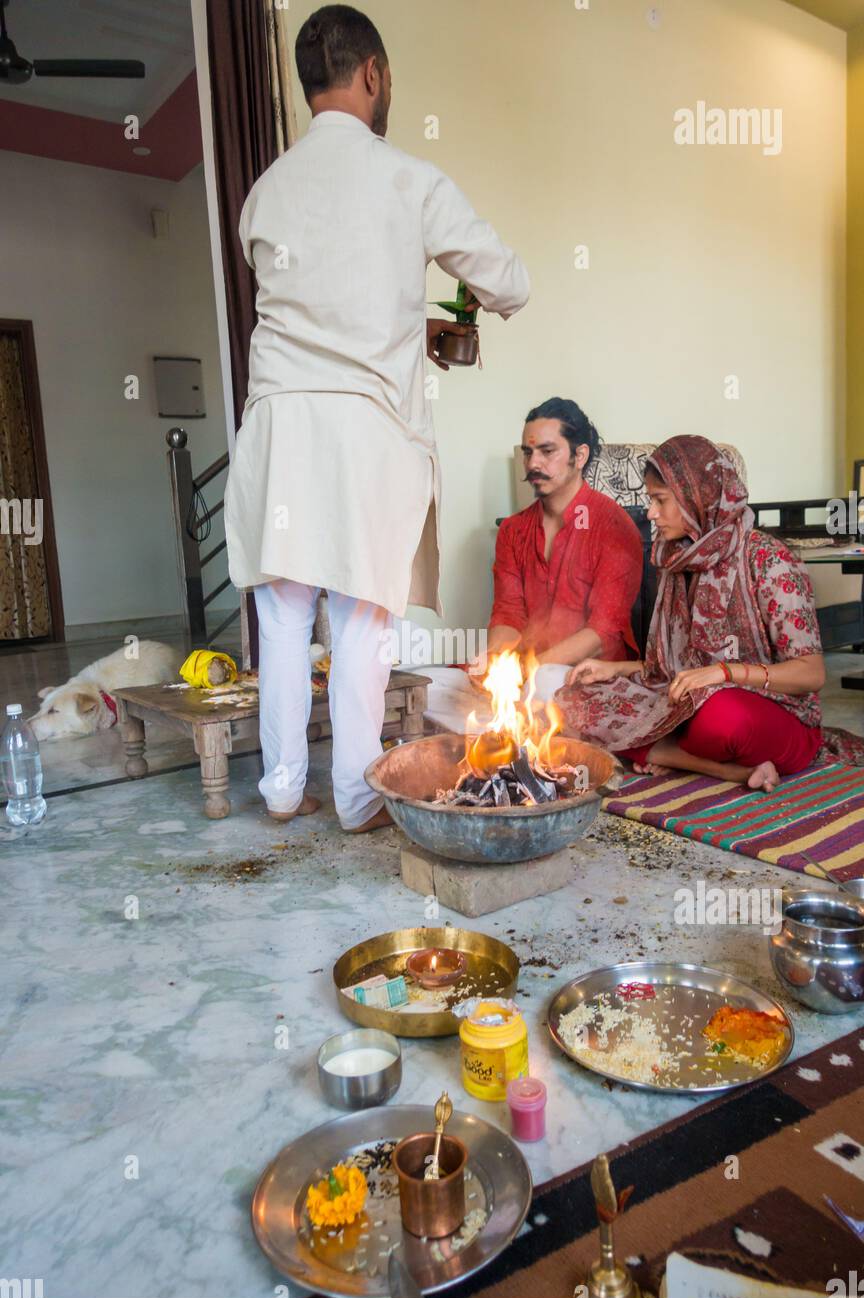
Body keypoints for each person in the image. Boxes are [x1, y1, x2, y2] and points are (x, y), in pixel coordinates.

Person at [224, 5, 529, 829]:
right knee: (360, 621)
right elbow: (509, 281)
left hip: (280, 429)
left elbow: (318, 303)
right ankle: (358, 799)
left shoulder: (264, 192)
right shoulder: (409, 178)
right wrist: (449, 314)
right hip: (363, 436)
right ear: (374, 76)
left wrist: (404, 321)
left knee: (283, 617)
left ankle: (283, 790)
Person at [557, 434, 828, 793]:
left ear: (696, 498)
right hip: (692, 702)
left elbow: (811, 674)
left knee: (719, 720)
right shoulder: (677, 561)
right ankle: (721, 769)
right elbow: (677, 670)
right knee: (573, 700)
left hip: (773, 715)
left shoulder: (768, 559)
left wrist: (723, 673)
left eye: (660, 500)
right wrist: (614, 669)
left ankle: (663, 751)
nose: (651, 512)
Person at [419, 398, 642, 731]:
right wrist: (497, 662)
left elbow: (603, 631)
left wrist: (526, 669)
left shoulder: (614, 526)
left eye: (547, 452)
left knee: (547, 680)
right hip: (523, 670)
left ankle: (505, 731)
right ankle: (507, 733)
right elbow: (508, 614)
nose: (533, 463)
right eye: (528, 452)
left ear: (579, 456)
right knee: (425, 684)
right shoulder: (513, 530)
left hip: (586, 674)